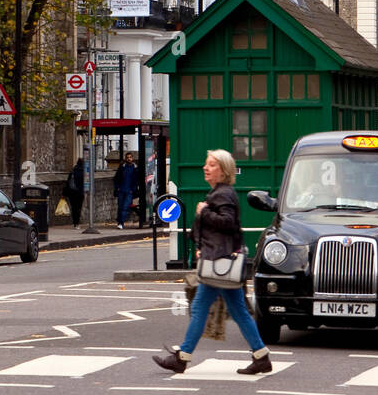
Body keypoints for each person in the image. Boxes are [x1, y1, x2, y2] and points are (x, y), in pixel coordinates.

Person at [154, 148, 272, 374]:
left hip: (218, 264)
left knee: (199, 308)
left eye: (211, 165)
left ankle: (182, 358)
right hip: (222, 263)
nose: (205, 168)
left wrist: (203, 211)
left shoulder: (222, 194)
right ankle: (261, 356)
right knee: (238, 311)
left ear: (224, 170)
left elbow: (227, 223)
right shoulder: (222, 192)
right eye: (206, 164)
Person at [113, 151, 139, 229]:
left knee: (125, 207)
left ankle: (121, 223)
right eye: (127, 158)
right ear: (125, 159)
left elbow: (137, 180)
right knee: (120, 207)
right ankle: (119, 221)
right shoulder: (122, 167)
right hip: (121, 190)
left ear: (132, 158)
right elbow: (116, 178)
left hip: (129, 191)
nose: (129, 159)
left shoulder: (135, 168)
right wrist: (117, 187)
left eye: (130, 157)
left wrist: (133, 189)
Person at [64, 156, 85, 229]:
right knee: (78, 208)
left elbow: (68, 182)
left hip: (72, 193)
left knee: (73, 208)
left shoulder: (72, 170)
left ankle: (75, 222)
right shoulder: (83, 172)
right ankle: (77, 223)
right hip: (79, 193)